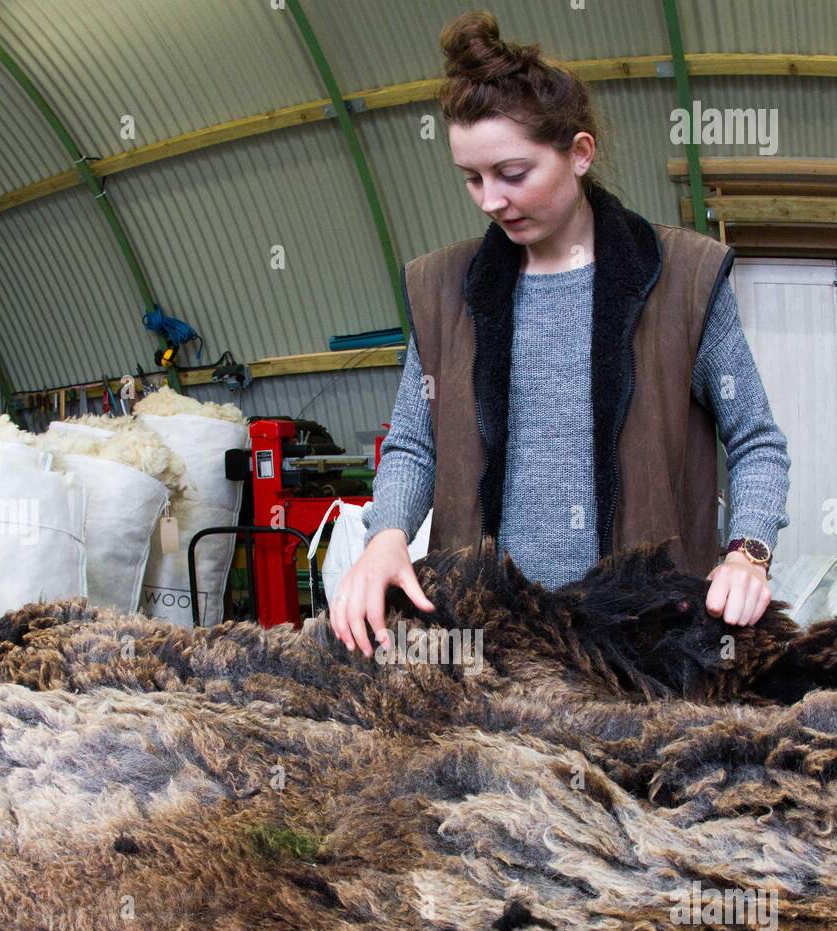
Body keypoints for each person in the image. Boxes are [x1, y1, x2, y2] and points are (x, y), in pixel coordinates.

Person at [330, 9, 791, 658]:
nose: (491, 199)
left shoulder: (681, 279)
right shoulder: (444, 290)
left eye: (513, 174)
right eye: (472, 178)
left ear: (579, 153)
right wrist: (385, 538)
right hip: (483, 642)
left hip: (640, 648)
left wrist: (748, 552)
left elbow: (756, 440)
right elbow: (413, 444)